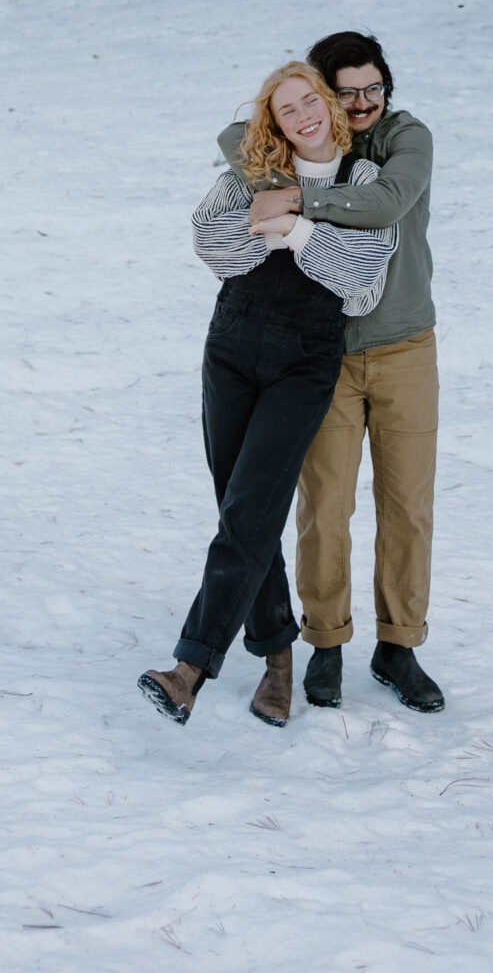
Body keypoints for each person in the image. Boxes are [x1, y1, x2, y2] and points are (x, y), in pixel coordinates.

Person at [138, 63, 396, 728]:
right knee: (239, 513)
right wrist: (267, 220)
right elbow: (211, 245)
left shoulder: (363, 183)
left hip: (304, 364)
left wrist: (294, 227)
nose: (303, 116)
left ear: (329, 107)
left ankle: (189, 668)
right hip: (230, 347)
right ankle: (277, 657)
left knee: (252, 508)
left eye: (311, 101)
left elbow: (360, 271)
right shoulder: (250, 177)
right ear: (272, 123)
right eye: (287, 111)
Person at [218, 31, 444, 715]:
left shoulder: (409, 139)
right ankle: (325, 645)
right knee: (326, 506)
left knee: (406, 504)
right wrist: (280, 175)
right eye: (345, 92)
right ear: (320, 95)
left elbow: (382, 204)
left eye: (373, 87)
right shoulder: (298, 140)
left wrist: (296, 201)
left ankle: (398, 647)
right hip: (325, 353)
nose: (362, 102)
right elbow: (235, 135)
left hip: (406, 345)